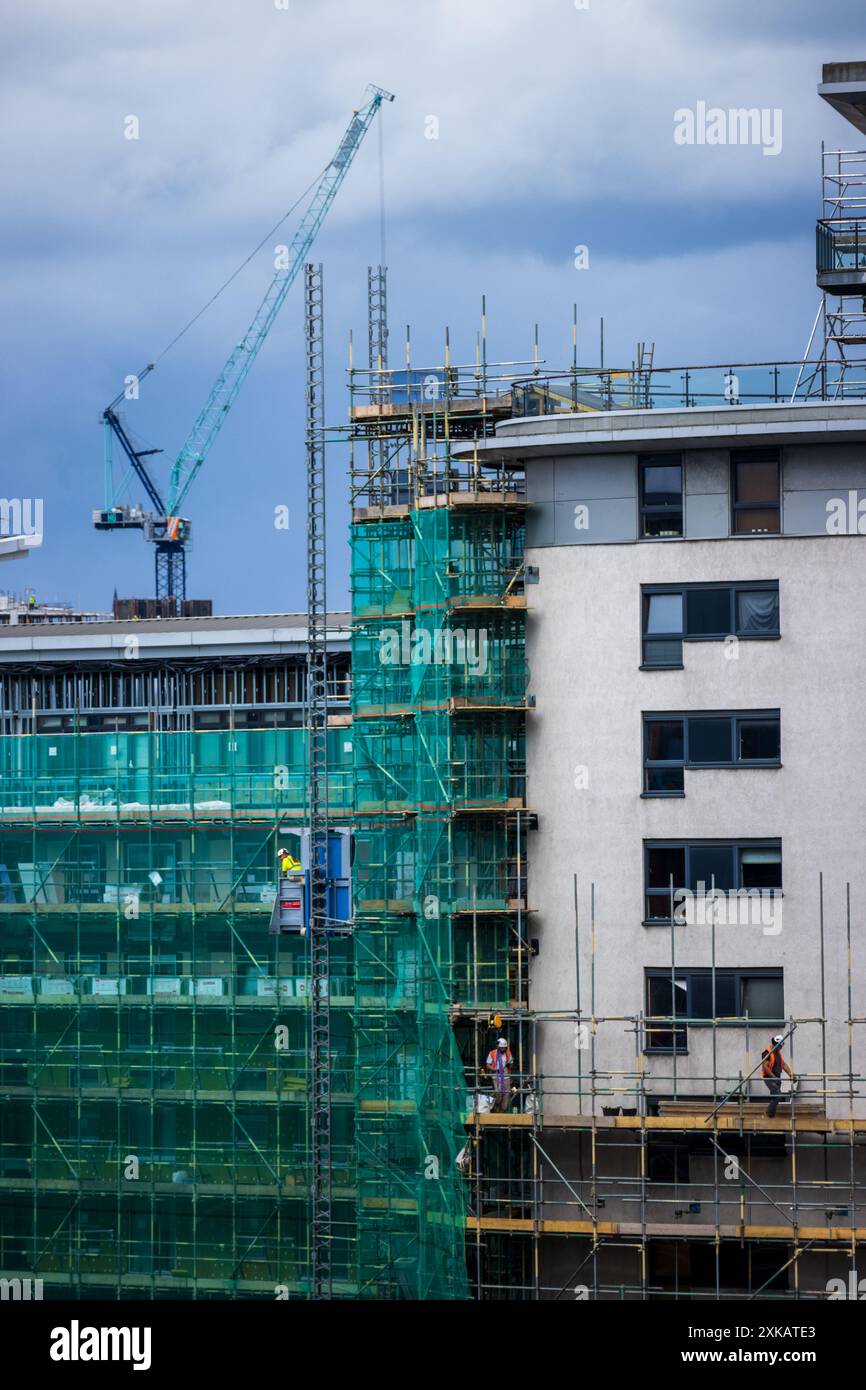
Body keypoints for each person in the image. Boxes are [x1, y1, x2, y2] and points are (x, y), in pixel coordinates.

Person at [761, 1033, 794, 1116]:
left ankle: (771, 1115)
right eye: (780, 1046)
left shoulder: (778, 1052)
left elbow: (783, 1064)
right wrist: (774, 1077)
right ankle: (768, 1113)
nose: (781, 1048)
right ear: (777, 1044)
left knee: (774, 1097)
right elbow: (765, 1067)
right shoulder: (767, 1053)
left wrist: (790, 1074)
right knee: (778, 1096)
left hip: (777, 1077)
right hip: (769, 1078)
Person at [485, 1037, 513, 1113]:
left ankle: (502, 1110)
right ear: (498, 1047)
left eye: (504, 1048)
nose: (503, 1049)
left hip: (505, 1074)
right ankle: (496, 1107)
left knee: (507, 1093)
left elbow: (509, 1065)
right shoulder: (492, 1053)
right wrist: (494, 1069)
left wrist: (510, 1074)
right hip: (496, 1074)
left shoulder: (508, 1053)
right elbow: (488, 1065)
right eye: (502, 1048)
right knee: (498, 1092)